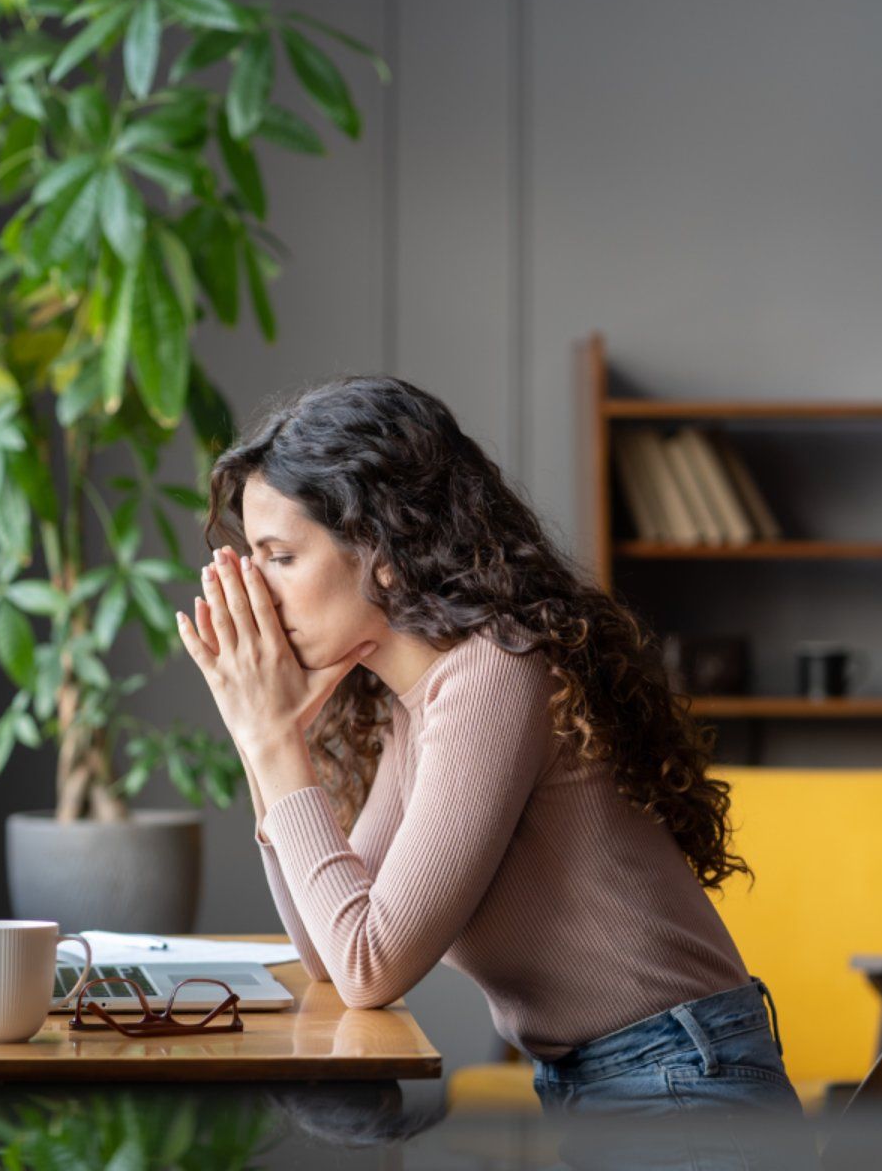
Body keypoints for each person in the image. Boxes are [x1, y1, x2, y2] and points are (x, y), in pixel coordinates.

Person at [174, 375, 806, 1124]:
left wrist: (271, 738)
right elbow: (328, 952)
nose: (260, 593)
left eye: (280, 557)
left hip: (681, 1085)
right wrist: (264, 741)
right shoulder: (418, 704)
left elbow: (368, 964)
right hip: (622, 1084)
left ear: (381, 549)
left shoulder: (494, 674)